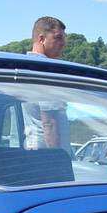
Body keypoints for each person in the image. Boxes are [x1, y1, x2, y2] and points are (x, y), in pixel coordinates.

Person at [23, 16, 70, 151]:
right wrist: (55, 158)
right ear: (41, 39)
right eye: (58, 38)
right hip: (47, 155)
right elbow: (49, 122)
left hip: (30, 149)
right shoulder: (46, 71)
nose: (63, 43)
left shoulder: (23, 68)